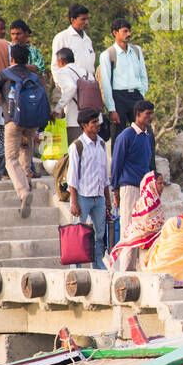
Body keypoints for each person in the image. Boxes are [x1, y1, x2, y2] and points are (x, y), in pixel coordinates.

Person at [0, 43, 46, 217]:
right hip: (32, 122)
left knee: (11, 158)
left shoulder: (4, 74)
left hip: (13, 121)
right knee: (25, 150)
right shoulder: (33, 76)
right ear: (27, 59)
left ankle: (23, 191)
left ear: (11, 58)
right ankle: (27, 181)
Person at [65, 110, 110, 269]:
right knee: (78, 235)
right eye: (94, 122)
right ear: (84, 126)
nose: (98, 124)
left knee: (99, 235)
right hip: (83, 196)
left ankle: (98, 265)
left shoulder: (102, 144)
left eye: (98, 121)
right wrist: (74, 202)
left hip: (99, 197)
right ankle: (76, 269)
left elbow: (104, 175)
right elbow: (72, 178)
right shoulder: (77, 146)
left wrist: (107, 198)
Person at [110, 99, 156, 249]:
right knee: (128, 228)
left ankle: (136, 268)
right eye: (147, 114)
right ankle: (125, 269)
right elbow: (116, 164)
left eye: (151, 114)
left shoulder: (147, 136)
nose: (150, 117)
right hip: (129, 187)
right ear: (138, 114)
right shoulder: (126, 136)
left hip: (144, 189)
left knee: (142, 230)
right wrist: (115, 189)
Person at [98, 18, 148, 130]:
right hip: (118, 98)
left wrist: (142, 94)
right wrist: (111, 109)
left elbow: (143, 75)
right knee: (118, 134)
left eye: (129, 31)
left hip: (136, 96)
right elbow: (106, 83)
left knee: (145, 133)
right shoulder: (107, 54)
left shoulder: (137, 50)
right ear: (115, 33)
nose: (129, 34)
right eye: (125, 31)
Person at [109, 171, 165, 270]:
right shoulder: (144, 203)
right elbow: (145, 227)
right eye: (159, 183)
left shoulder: (156, 201)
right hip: (145, 244)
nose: (163, 186)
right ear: (152, 184)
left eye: (163, 183)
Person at [52, 4, 95, 78]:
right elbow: (56, 65)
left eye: (87, 19)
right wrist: (61, 84)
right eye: (83, 19)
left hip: (88, 83)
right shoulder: (62, 37)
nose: (87, 22)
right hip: (72, 83)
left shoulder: (87, 39)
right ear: (72, 20)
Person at [51, 48, 83, 142]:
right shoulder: (85, 72)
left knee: (75, 151)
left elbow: (71, 88)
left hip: (75, 118)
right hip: (92, 118)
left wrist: (58, 109)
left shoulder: (63, 71)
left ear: (60, 61)